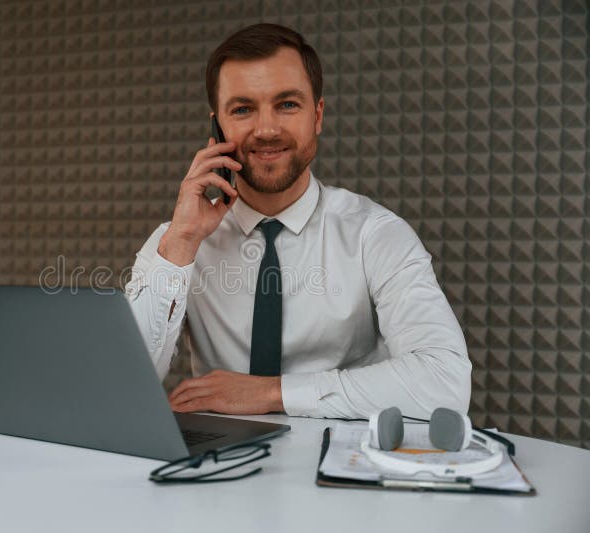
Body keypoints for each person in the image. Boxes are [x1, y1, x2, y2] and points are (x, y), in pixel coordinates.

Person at [124, 23, 471, 419]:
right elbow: (120, 386)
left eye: (287, 104)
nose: (267, 129)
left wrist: (273, 393)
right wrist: (182, 241)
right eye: (242, 109)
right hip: (218, 472)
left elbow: (446, 383)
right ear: (216, 125)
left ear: (317, 115)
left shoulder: (375, 234)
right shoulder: (176, 241)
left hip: (341, 465)